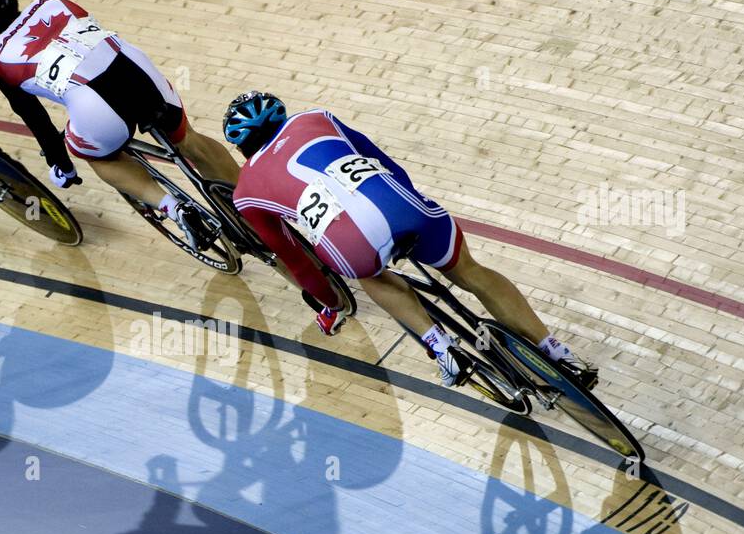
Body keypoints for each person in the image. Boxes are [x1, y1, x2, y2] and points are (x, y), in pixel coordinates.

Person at [224, 92, 593, 387]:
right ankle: (557, 350)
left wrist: (329, 301)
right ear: (282, 115)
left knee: (373, 276)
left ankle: (442, 347)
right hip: (405, 208)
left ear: (242, 149)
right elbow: (387, 162)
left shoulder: (245, 192)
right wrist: (410, 206)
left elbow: (297, 261)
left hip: (354, 245)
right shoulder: (317, 118)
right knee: (471, 272)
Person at [0, 0, 240, 250]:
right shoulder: (53, 2)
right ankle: (246, 199)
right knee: (189, 140)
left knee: (92, 153)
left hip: (98, 110)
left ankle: (174, 208)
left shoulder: (2, 62)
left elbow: (38, 122)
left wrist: (61, 163)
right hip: (138, 73)